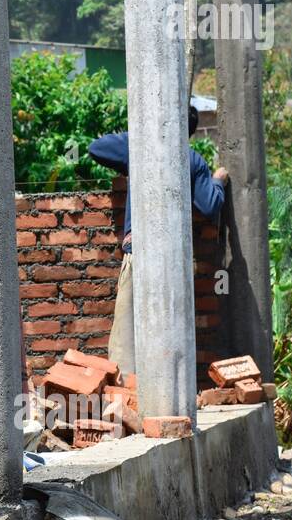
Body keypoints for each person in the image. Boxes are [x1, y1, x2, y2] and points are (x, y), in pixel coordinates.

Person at [88, 105, 228, 377]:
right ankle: (172, 391)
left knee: (128, 334)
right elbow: (211, 206)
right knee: (169, 331)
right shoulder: (192, 160)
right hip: (173, 259)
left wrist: (137, 139)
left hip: (138, 253)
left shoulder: (140, 149)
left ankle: (127, 392)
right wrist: (218, 181)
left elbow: (97, 148)